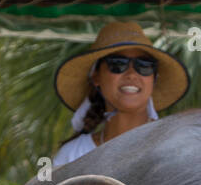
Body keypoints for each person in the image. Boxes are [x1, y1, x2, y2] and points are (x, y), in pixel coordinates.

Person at [52, 20, 190, 168]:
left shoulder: (175, 150)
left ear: (154, 79)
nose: (131, 74)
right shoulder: (72, 155)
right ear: (96, 77)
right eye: (118, 64)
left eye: (144, 65)